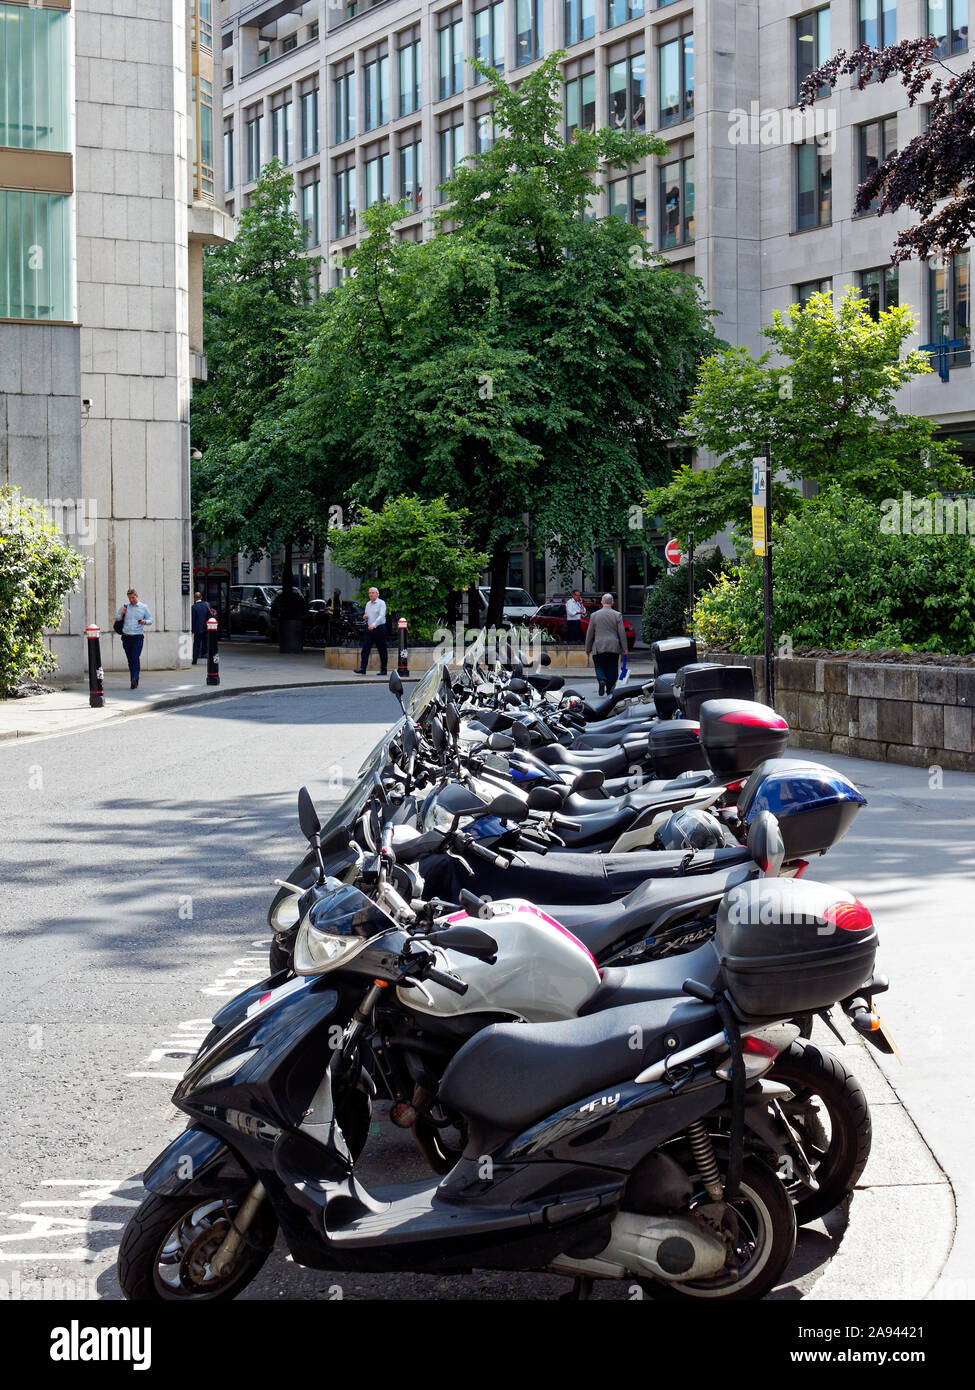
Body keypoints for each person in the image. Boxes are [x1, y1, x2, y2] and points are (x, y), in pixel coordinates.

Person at [584, 592, 627, 696]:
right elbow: (622, 633)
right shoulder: (617, 615)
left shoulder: (594, 615)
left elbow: (590, 633)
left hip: (598, 646)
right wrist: (625, 649)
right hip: (613, 646)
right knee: (612, 667)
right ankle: (610, 689)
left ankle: (602, 679)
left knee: (599, 666)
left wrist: (588, 648)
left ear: (602, 602)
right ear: (612, 603)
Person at [115, 587, 153, 689]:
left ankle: (134, 679)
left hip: (137, 637)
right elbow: (116, 617)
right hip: (126, 637)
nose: (131, 600)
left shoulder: (144, 607)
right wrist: (121, 614)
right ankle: (133, 678)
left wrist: (144, 622)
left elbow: (150, 620)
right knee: (130, 659)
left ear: (136, 596)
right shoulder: (125, 607)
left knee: (135, 657)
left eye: (132, 598)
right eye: (129, 598)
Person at [355, 586, 387, 675]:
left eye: (373, 593)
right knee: (365, 648)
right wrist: (365, 616)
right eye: (369, 593)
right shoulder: (368, 604)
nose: (371, 594)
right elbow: (367, 614)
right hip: (369, 629)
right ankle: (363, 668)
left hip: (379, 628)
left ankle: (383, 670)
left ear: (377, 594)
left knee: (382, 649)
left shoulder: (381, 603)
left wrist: (374, 624)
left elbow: (381, 616)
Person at [190, 591, 213, 664]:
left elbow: (193, 619)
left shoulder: (194, 607)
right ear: (201, 597)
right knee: (206, 643)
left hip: (198, 628)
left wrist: (192, 630)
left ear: (194, 598)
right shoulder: (207, 604)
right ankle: (205, 655)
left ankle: (195, 659)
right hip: (206, 627)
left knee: (196, 644)